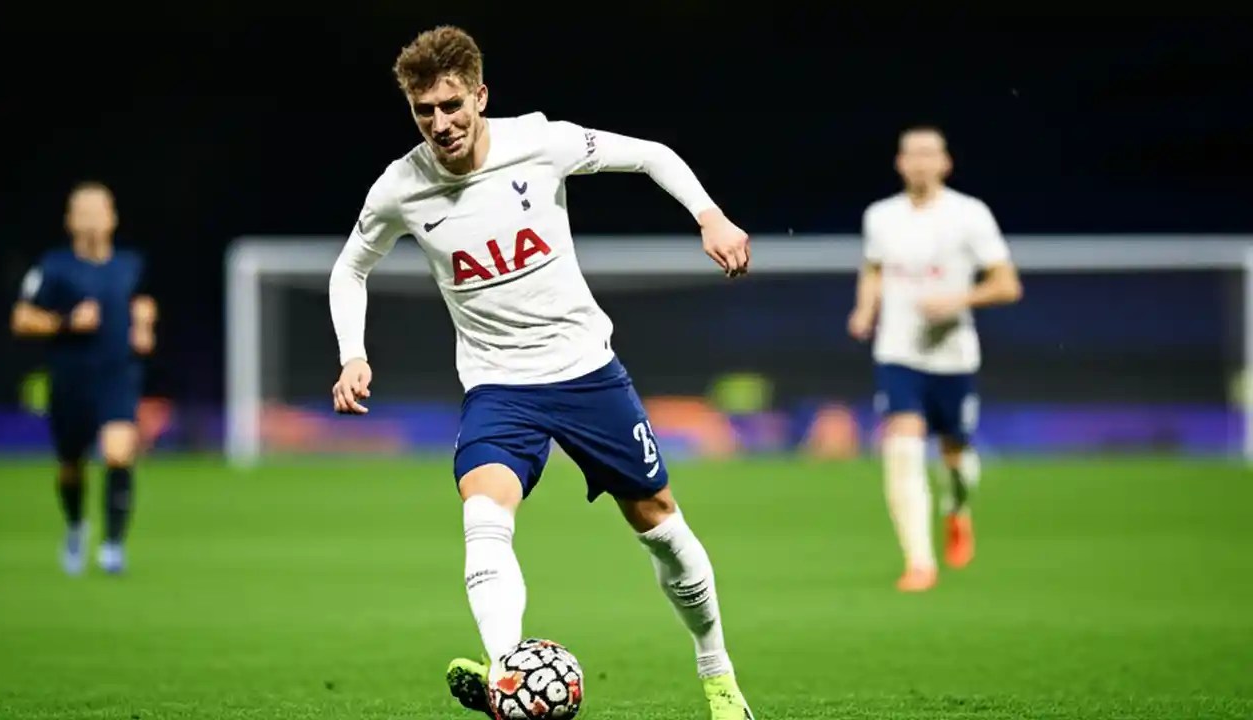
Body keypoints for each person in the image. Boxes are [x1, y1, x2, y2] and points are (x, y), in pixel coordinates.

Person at [328, 25, 754, 720]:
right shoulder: (400, 187)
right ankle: (508, 675)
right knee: (483, 515)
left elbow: (651, 154)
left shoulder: (539, 142)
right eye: (424, 111)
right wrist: (353, 352)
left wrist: (711, 217)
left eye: (451, 105)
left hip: (587, 373)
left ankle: (718, 673)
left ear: (480, 96)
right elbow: (351, 268)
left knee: (661, 527)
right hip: (499, 388)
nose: (440, 123)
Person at [848, 126, 1022, 592]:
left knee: (956, 459)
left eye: (930, 153)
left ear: (946, 163)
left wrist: (958, 300)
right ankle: (919, 561)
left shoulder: (970, 214)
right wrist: (865, 310)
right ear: (899, 163)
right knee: (901, 449)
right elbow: (873, 269)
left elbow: (1007, 285)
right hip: (898, 352)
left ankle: (957, 510)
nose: (921, 162)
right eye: (912, 154)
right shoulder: (881, 216)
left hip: (953, 357)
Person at [12, 181, 156, 576]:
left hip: (117, 375)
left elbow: (143, 300)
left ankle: (113, 546)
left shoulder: (130, 264)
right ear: (70, 220)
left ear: (113, 218)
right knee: (70, 465)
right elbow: (22, 317)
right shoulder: (53, 267)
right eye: (84, 212)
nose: (92, 219)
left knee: (118, 453)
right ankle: (76, 525)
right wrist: (65, 322)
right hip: (71, 380)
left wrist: (143, 324)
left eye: (99, 211)